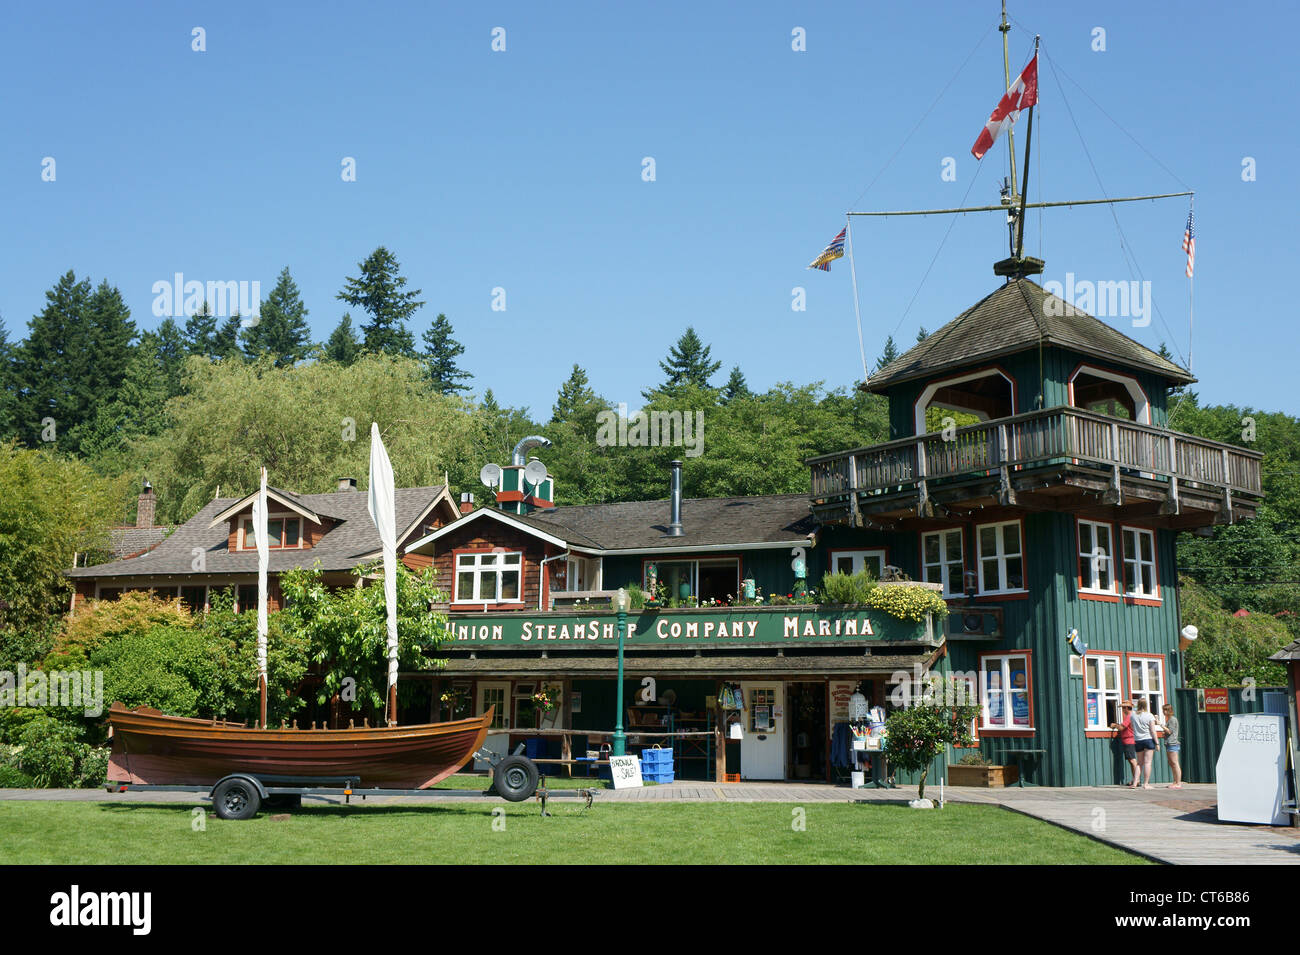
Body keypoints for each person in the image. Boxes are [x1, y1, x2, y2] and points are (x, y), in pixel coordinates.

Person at [1108, 701, 1138, 788]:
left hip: (1129, 740)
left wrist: (1115, 725)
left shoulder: (1129, 716)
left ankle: (1137, 780)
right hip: (1130, 740)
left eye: (1123, 708)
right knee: (1131, 761)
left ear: (1126, 708)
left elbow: (1121, 728)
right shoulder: (1132, 715)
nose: (1122, 710)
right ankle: (1135, 779)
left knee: (1132, 760)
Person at [1129, 699, 1158, 789]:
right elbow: (1153, 731)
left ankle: (1135, 783)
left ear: (1138, 705)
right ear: (1146, 705)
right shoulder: (1149, 715)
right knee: (1148, 762)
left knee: (1139, 763)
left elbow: (1132, 727)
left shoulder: (1133, 715)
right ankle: (1146, 784)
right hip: (1148, 739)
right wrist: (1157, 743)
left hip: (1138, 740)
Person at [1158, 703, 1183, 789]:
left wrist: (1160, 725)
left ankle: (1178, 783)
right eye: (1163, 710)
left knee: (1175, 763)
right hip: (1169, 743)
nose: (1164, 712)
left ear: (1170, 710)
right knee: (1172, 763)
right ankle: (1175, 781)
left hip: (1173, 743)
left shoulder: (1172, 719)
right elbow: (1168, 732)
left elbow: (1169, 731)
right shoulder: (1169, 719)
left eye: (1166, 710)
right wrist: (1164, 732)